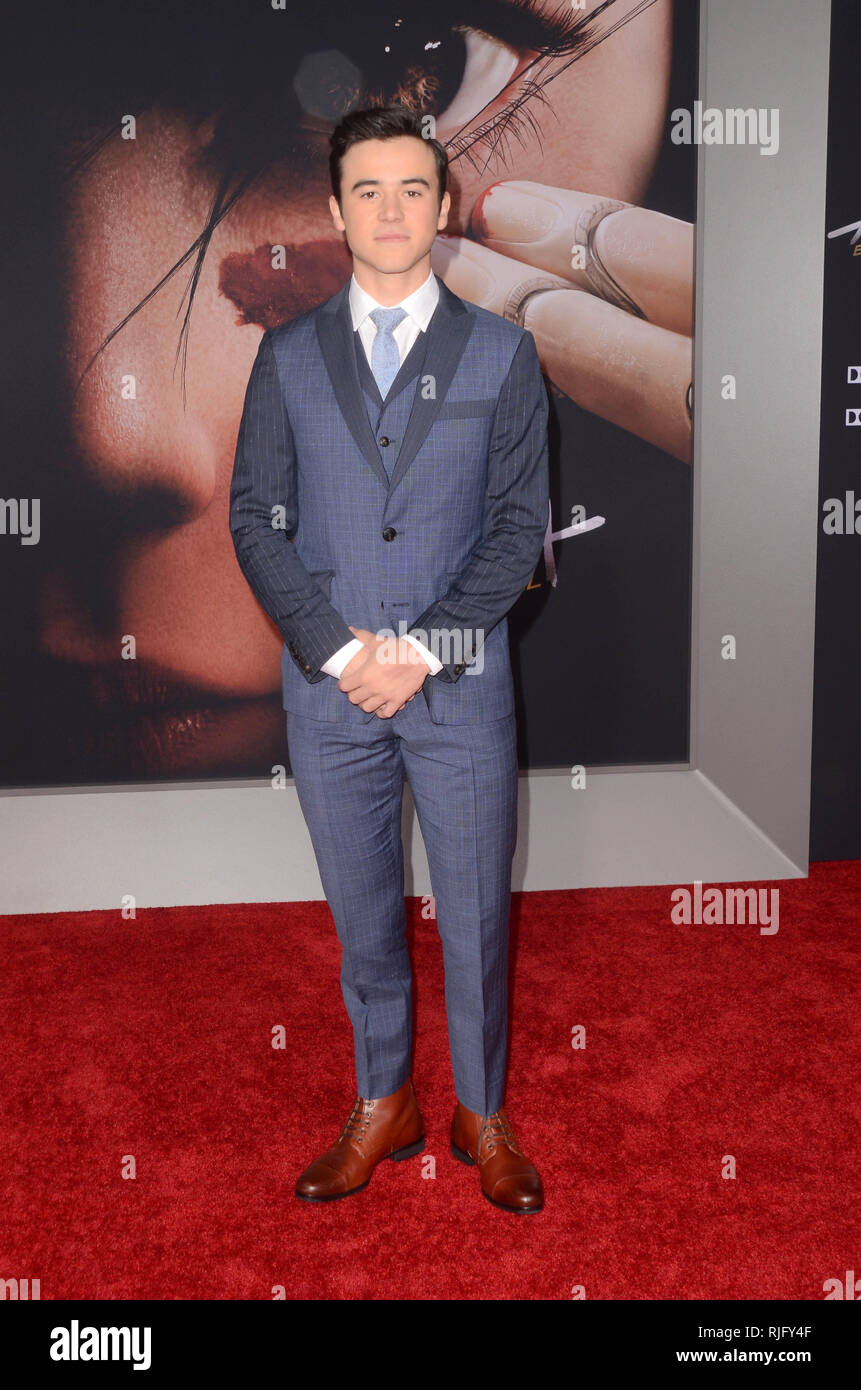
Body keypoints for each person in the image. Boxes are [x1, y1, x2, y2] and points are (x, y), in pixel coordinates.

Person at [229, 105, 550, 1212]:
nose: (392, 211)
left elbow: (518, 533)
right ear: (334, 210)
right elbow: (254, 522)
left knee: (474, 917)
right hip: (331, 696)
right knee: (363, 917)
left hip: (459, 688)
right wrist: (333, 650)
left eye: (413, 188)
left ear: (445, 204)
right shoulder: (284, 354)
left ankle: (482, 1111)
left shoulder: (507, 352)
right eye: (368, 191)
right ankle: (385, 1102)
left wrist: (417, 650)